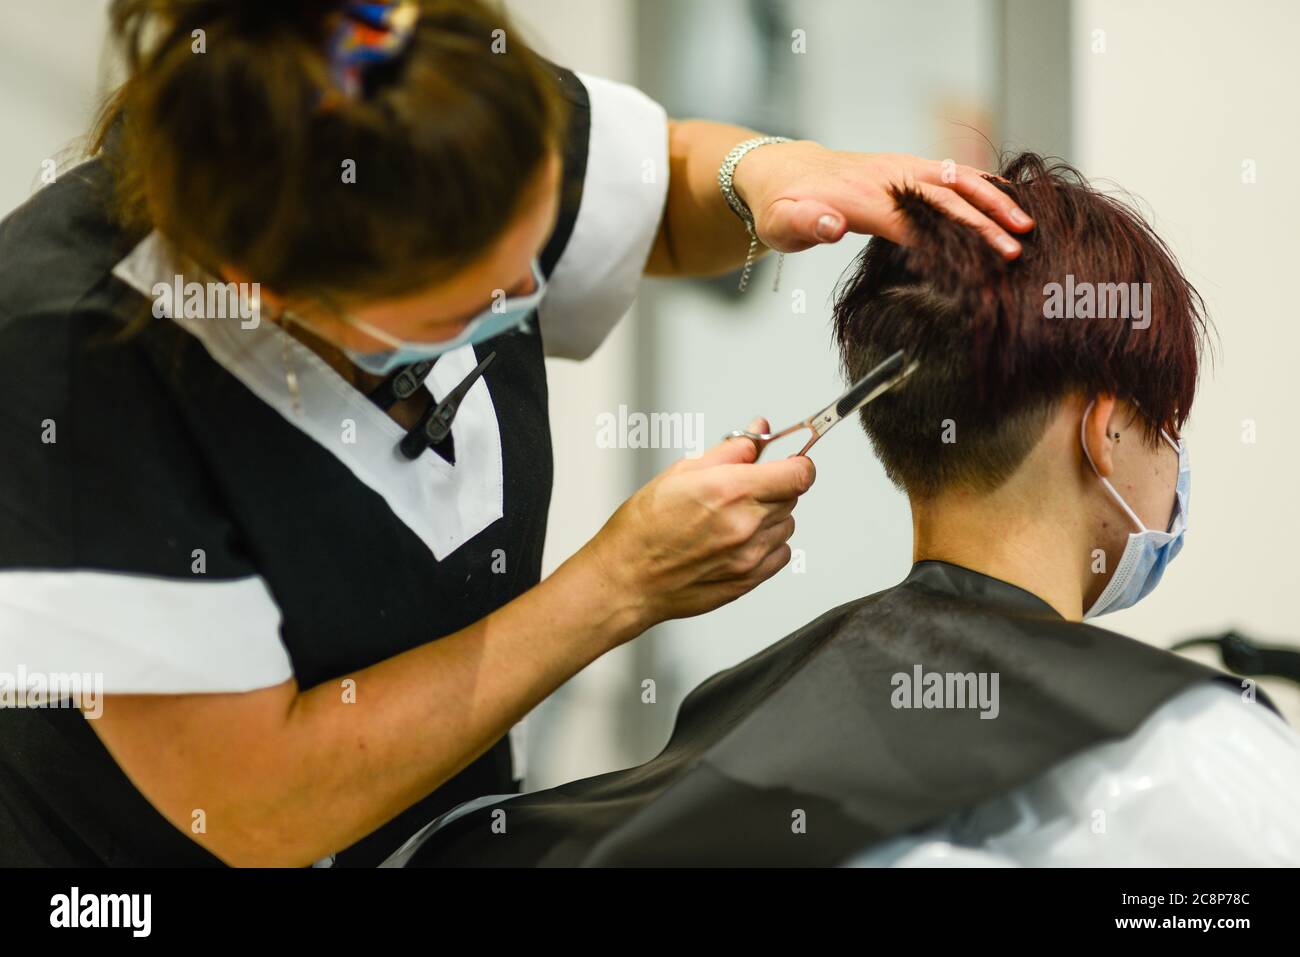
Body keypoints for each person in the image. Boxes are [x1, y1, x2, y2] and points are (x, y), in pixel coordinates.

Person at [0, 0, 1035, 866]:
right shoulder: (67, 361)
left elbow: (662, 200)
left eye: (538, 244)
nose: (527, 297)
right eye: (468, 306)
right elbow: (251, 804)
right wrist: (616, 587)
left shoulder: (430, 97)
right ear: (263, 290)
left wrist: (764, 174)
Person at [388, 152, 1300, 867]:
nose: (1172, 463)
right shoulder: (1196, 752)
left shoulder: (717, 720)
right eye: (1163, 426)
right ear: (1103, 433)